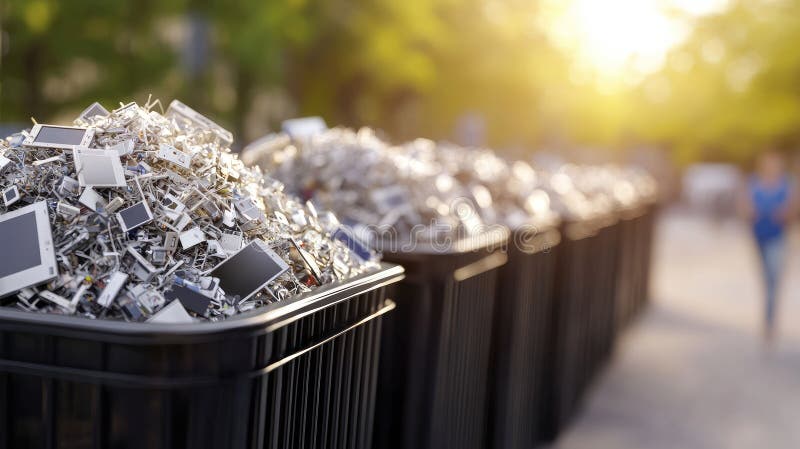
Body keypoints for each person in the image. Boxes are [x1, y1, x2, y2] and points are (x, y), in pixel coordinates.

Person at [739, 150, 795, 342]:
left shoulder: (787, 185)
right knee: (766, 278)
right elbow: (745, 209)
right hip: (758, 237)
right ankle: (768, 316)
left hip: (777, 238)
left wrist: (782, 214)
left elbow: (791, 212)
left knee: (773, 278)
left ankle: (769, 321)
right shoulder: (754, 183)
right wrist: (751, 213)